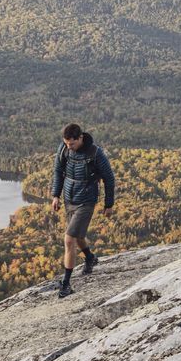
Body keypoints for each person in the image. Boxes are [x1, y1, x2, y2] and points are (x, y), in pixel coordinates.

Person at [50, 123, 115, 298]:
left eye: (72, 143)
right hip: (69, 199)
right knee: (78, 236)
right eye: (66, 143)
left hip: (86, 200)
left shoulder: (95, 153)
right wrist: (55, 195)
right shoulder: (64, 149)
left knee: (69, 239)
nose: (69, 147)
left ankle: (66, 284)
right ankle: (90, 258)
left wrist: (109, 205)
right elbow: (58, 172)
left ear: (80, 138)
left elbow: (109, 178)